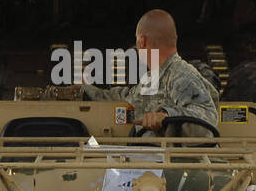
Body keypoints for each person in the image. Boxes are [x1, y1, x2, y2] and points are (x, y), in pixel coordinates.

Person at [81, 9, 217, 135]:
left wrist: (166, 116)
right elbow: (128, 97)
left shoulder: (181, 75)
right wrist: (84, 90)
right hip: (153, 156)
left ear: (142, 41)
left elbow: (208, 117)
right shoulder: (154, 78)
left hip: (178, 159)